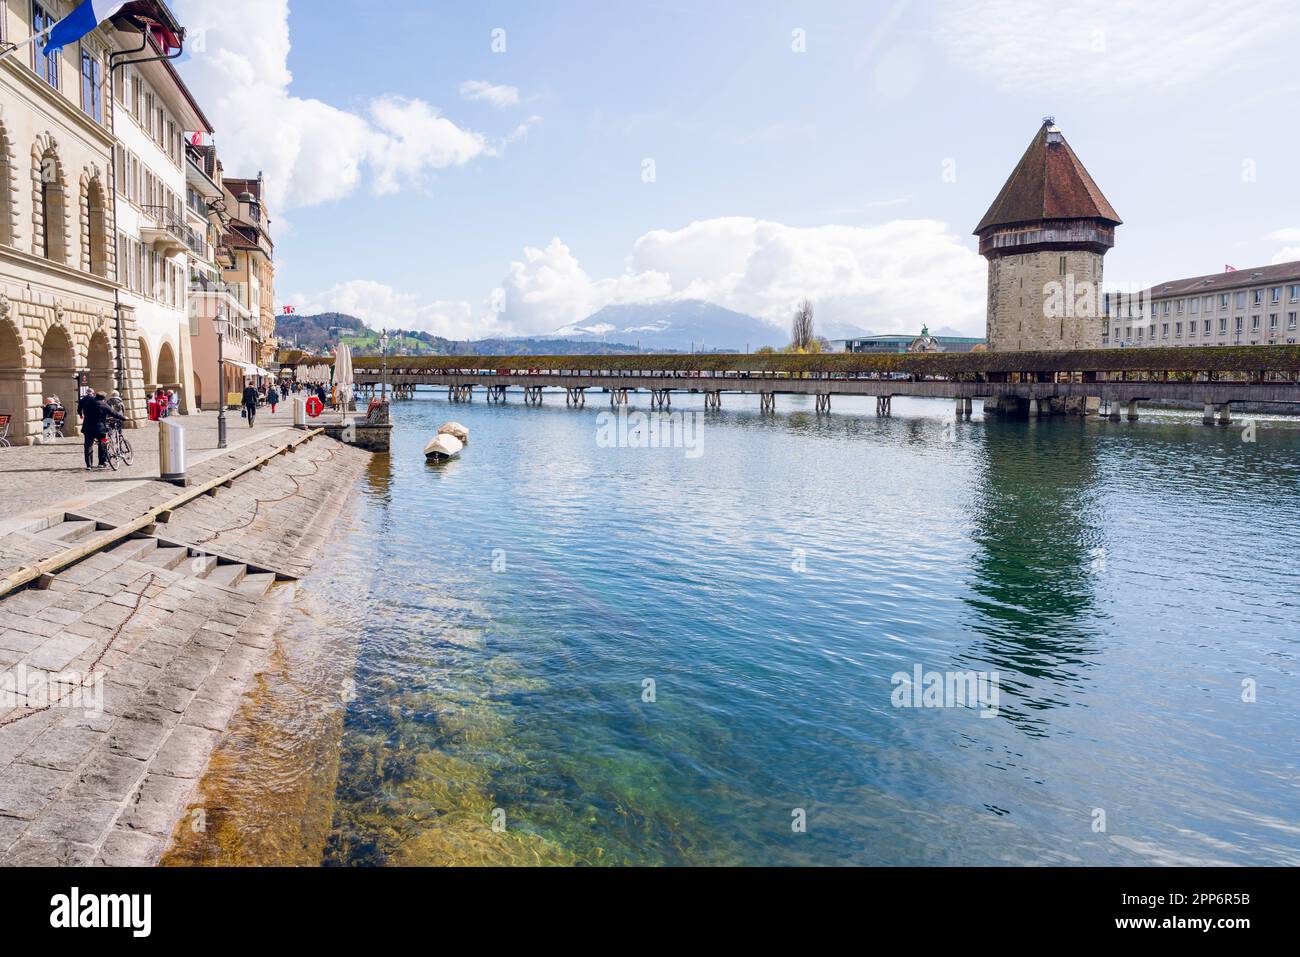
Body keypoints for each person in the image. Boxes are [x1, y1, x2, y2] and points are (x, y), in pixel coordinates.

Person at [82, 391, 123, 469]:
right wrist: (123, 418)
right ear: (103, 398)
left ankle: (89, 465)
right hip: (101, 431)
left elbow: (82, 410)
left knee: (88, 446)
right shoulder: (104, 405)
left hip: (88, 429)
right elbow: (114, 413)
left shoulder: (88, 404)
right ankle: (102, 462)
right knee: (103, 443)